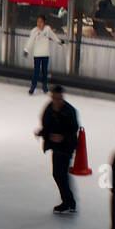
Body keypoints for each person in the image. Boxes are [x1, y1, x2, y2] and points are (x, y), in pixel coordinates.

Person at [35, 85, 79, 215]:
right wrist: (42, 133)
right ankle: (69, 201)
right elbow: (46, 124)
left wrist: (63, 137)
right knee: (58, 174)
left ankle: (68, 201)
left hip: (66, 147)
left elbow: (73, 129)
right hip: (55, 147)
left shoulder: (69, 111)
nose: (57, 101)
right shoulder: (49, 109)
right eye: (55, 98)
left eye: (59, 98)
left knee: (61, 174)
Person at [24, 15, 60, 95]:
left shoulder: (47, 29)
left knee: (44, 71)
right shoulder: (34, 31)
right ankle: (33, 86)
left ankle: (45, 86)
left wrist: (59, 41)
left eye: (41, 22)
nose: (39, 23)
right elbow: (30, 41)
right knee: (36, 71)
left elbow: (53, 36)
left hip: (45, 54)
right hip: (37, 54)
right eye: (38, 22)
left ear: (44, 22)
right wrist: (26, 50)